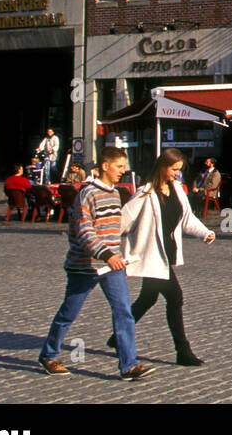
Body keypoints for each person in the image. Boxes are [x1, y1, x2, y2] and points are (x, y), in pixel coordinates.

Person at [37, 146, 153, 379]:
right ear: (105, 166)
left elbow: (115, 228)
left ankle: (128, 366)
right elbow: (84, 229)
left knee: (123, 311)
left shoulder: (115, 193)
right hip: (85, 266)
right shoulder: (87, 193)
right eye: (119, 166)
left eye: (124, 166)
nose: (123, 171)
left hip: (111, 266)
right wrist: (105, 254)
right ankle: (49, 355)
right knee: (68, 313)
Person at [117, 148, 215, 366]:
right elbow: (122, 221)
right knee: (176, 297)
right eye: (174, 169)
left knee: (148, 298)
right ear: (162, 166)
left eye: (179, 170)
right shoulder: (145, 193)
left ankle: (118, 337)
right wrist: (99, 240)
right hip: (151, 257)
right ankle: (183, 351)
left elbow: (187, 219)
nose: (177, 174)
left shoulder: (178, 190)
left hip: (167, 254)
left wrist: (205, 233)